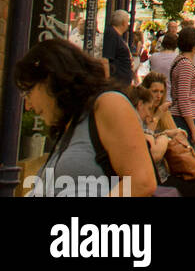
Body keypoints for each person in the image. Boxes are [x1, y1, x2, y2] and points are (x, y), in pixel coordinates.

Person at [14, 39, 156, 197]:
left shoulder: (107, 104)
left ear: (48, 80)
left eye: (28, 92)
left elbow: (141, 182)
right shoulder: (72, 124)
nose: (28, 105)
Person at [169, 26, 195, 150]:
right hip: (184, 119)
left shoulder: (182, 61)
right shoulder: (185, 65)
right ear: (194, 43)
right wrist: (193, 131)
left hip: (187, 117)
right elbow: (183, 98)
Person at [101, 9, 133, 86]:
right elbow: (105, 59)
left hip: (121, 81)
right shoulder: (111, 34)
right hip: (117, 82)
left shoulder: (116, 35)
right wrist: (107, 81)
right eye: (127, 22)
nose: (128, 24)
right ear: (123, 23)